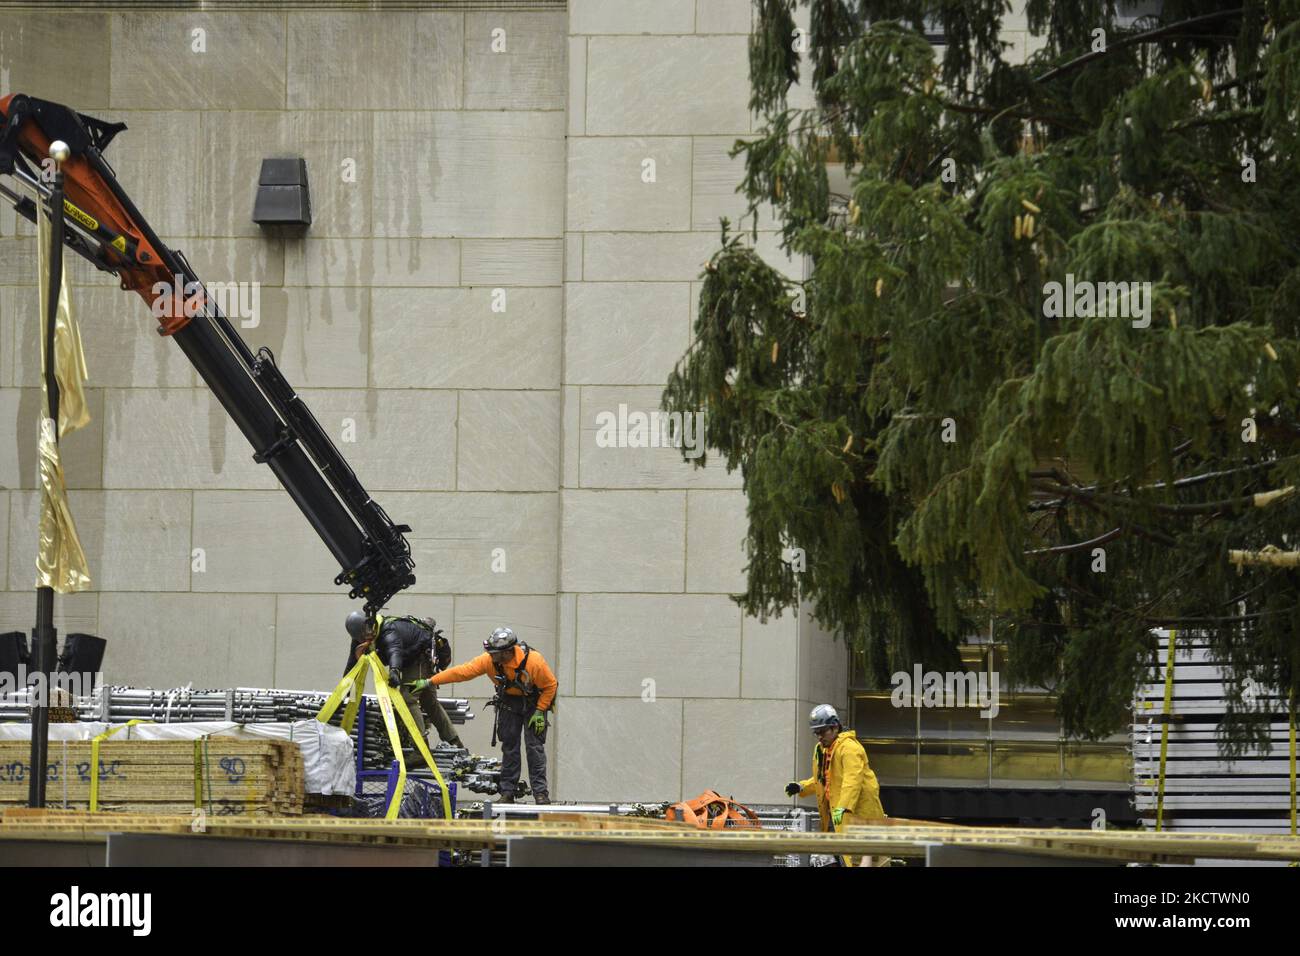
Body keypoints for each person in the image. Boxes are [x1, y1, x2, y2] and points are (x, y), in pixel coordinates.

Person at [422, 626, 557, 804]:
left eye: (494, 652)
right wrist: (430, 681)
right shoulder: (489, 661)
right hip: (509, 701)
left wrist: (541, 710)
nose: (491, 655)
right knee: (509, 747)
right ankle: (507, 792)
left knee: (534, 748)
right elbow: (463, 672)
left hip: (534, 702)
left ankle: (541, 794)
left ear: (508, 651)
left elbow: (550, 686)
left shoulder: (534, 662)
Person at [344, 610, 463, 753]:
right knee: (429, 702)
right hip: (412, 658)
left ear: (371, 623)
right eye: (363, 635)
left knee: (408, 699)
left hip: (420, 657)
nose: (368, 635)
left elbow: (395, 650)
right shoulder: (359, 639)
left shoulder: (388, 629)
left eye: (368, 630)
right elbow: (352, 663)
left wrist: (394, 671)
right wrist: (345, 688)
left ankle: (420, 750)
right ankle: (454, 741)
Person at [785, 703, 886, 867]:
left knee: (861, 859)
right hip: (836, 815)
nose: (819, 736)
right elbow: (823, 779)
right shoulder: (823, 749)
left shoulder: (850, 748)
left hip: (859, 816)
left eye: (822, 731)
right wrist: (802, 786)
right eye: (816, 732)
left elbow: (852, 780)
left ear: (834, 727)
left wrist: (843, 806)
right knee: (827, 859)